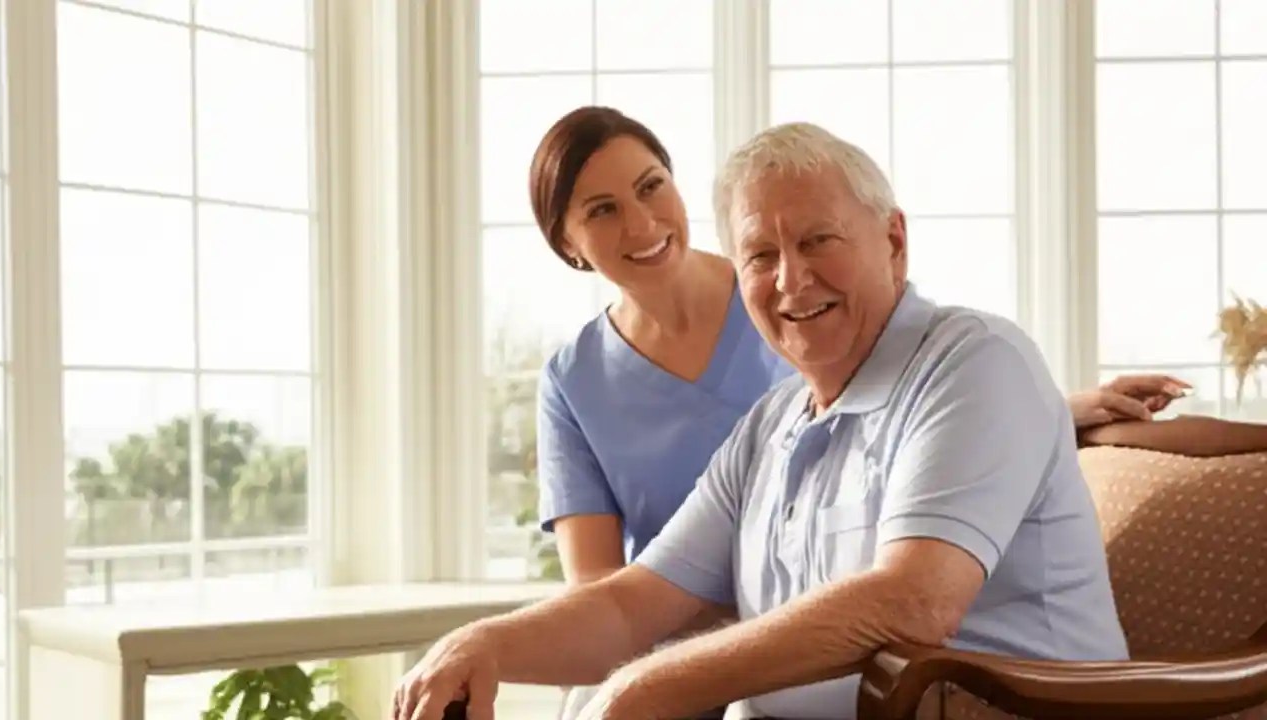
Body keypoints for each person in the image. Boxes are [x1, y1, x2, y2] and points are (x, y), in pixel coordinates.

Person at [391, 122, 1139, 719]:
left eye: (817, 240)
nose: (790, 279)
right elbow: (629, 606)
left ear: (894, 240)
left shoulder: (976, 362)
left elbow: (913, 602)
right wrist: (482, 644)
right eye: (759, 255)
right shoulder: (771, 424)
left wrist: (648, 688)